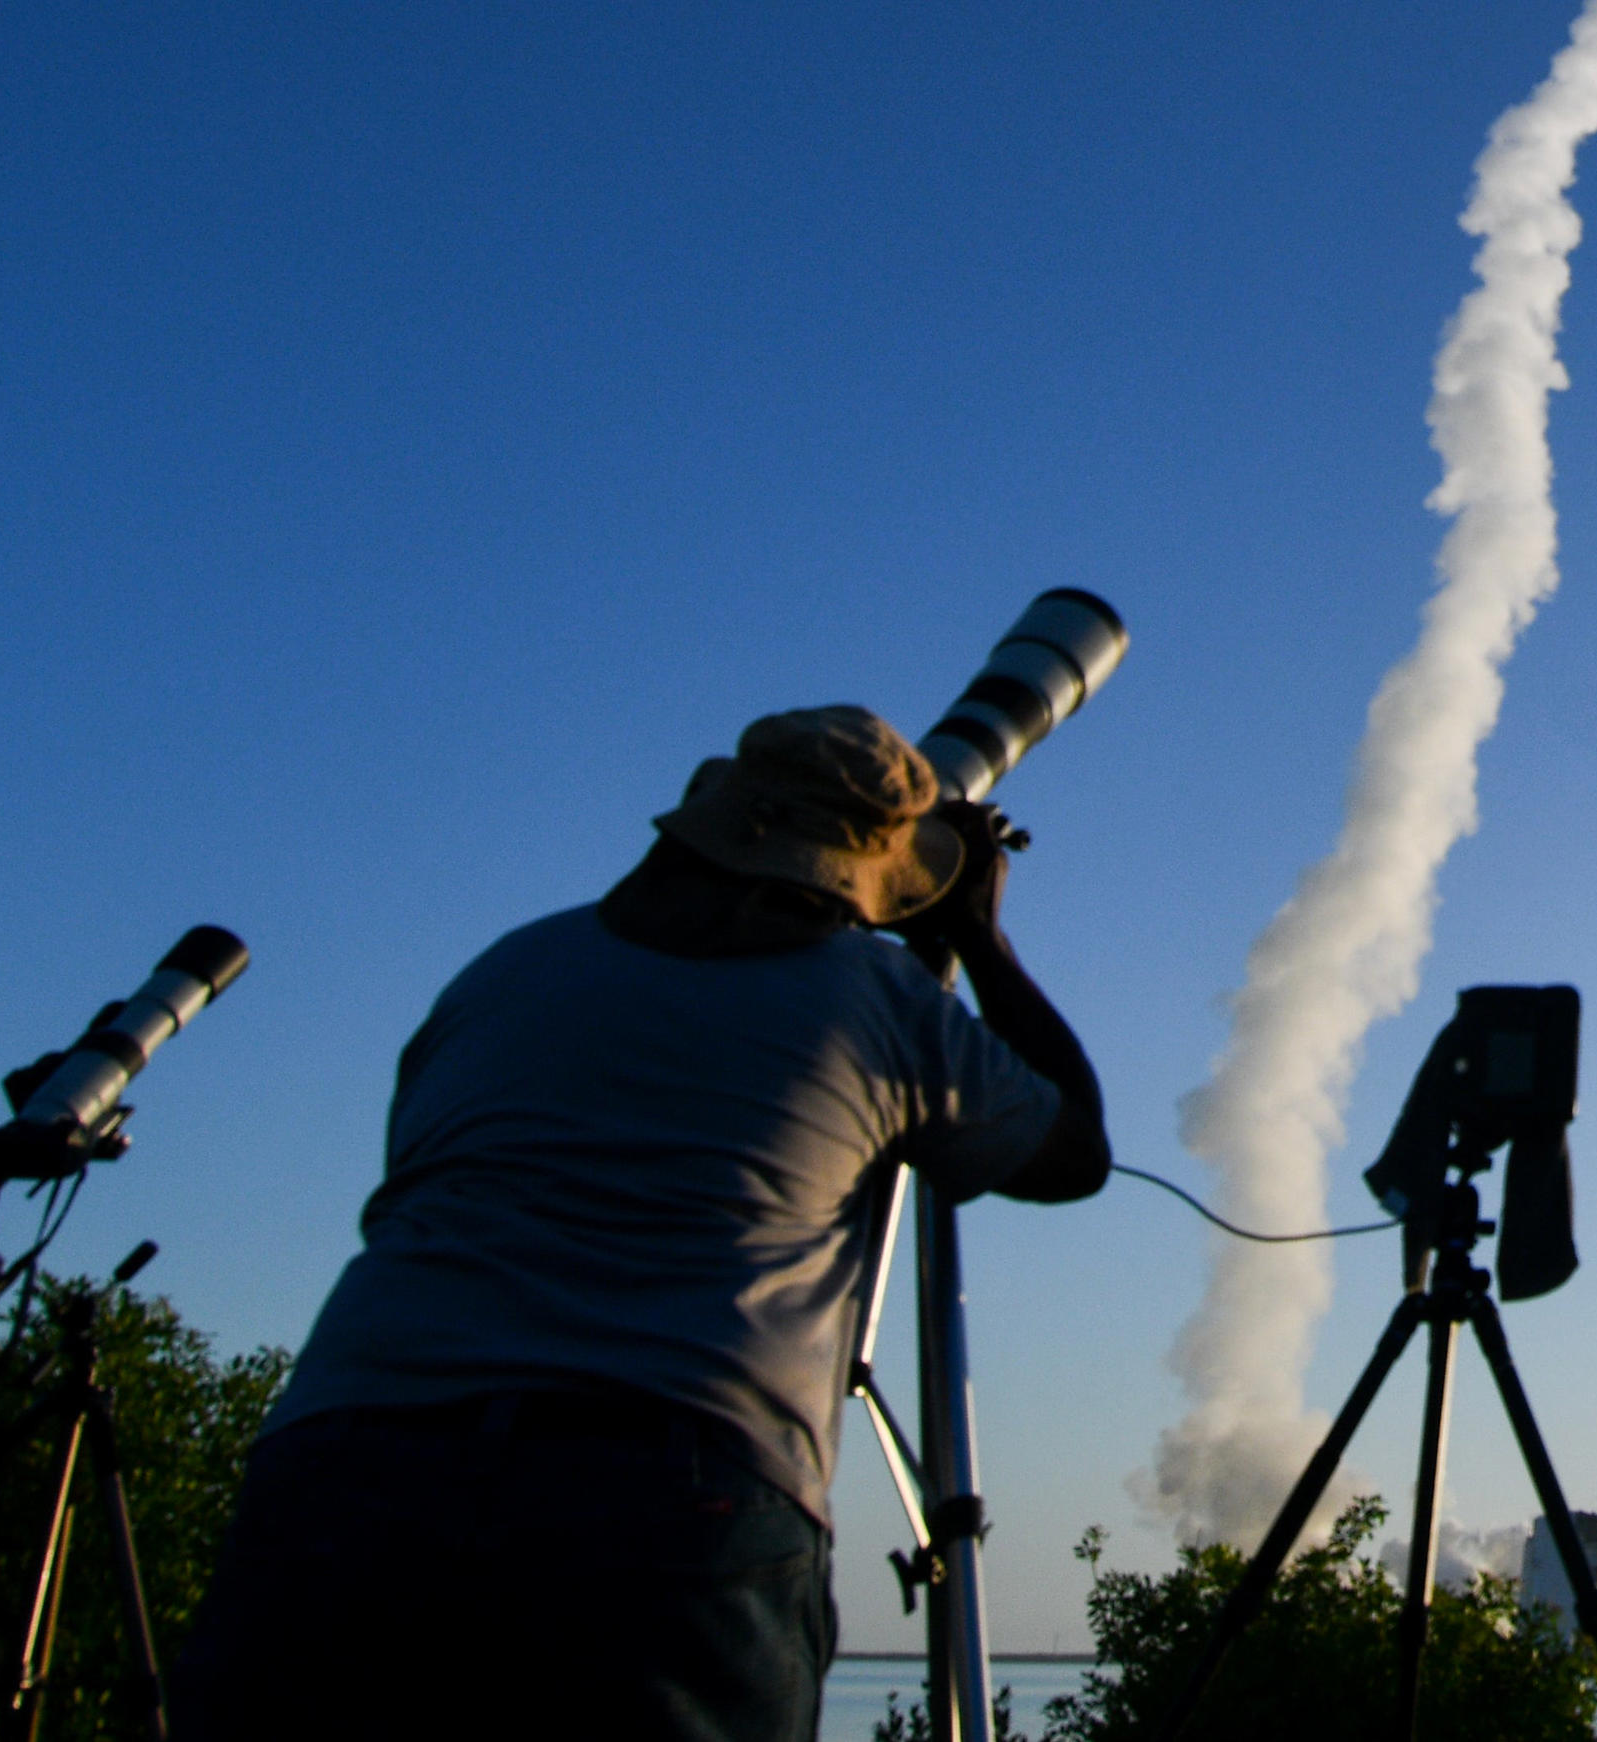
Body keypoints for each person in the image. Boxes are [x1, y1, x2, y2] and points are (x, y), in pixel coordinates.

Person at [179, 706, 1109, 1742]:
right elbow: (1074, 1154)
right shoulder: (878, 1002)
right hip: (674, 1494)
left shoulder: (508, 969)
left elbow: (415, 1171)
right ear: (858, 881)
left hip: (343, 1466)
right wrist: (980, 938)